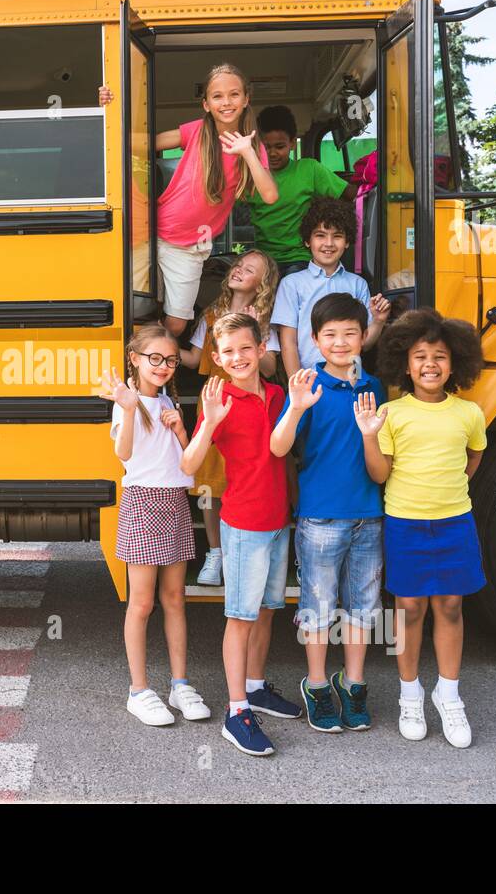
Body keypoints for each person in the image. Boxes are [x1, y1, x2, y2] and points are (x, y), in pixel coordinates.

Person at [356, 307, 488, 749]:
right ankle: (409, 693)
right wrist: (370, 435)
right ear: (404, 363)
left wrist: (448, 491)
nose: (430, 364)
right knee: (410, 608)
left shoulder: (469, 412)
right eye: (420, 356)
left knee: (450, 605)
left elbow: (472, 459)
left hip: (454, 522)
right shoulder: (391, 413)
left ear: (455, 364)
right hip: (406, 523)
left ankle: (448, 695)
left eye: (440, 356)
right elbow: (379, 475)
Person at [180, 313, 302, 757]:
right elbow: (189, 466)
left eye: (246, 348)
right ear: (216, 358)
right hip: (243, 524)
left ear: (262, 347)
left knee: (269, 609)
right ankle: (236, 713)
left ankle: (254, 687)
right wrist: (210, 421)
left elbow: (281, 451)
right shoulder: (218, 400)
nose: (238, 357)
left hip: (276, 521)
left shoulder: (275, 395)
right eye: (228, 352)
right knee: (241, 616)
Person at [270, 293, 384, 733]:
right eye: (330, 334)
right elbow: (279, 447)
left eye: (350, 333)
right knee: (318, 608)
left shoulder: (373, 387)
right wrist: (297, 407)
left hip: (368, 514)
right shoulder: (307, 384)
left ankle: (353, 685)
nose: (340, 342)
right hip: (320, 517)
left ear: (363, 337)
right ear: (315, 339)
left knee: (363, 608)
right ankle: (317, 685)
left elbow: (378, 459)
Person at [102, 65, 279, 336]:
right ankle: (137, 367)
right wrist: (109, 110)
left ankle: (156, 362)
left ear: (246, 99)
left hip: (187, 248)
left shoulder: (252, 146)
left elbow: (270, 195)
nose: (226, 102)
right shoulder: (197, 131)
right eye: (217, 96)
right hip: (148, 232)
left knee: (177, 322)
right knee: (130, 310)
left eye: (234, 94)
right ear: (206, 104)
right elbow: (143, 142)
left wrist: (247, 152)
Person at [99, 325, 211, 727]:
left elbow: (187, 466)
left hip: (175, 503)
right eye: (155, 358)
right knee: (142, 603)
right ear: (135, 358)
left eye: (171, 360)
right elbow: (124, 454)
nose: (163, 366)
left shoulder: (169, 402)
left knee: (176, 598)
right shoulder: (126, 402)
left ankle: (180, 684)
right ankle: (139, 690)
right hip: (143, 503)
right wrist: (129, 408)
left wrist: (181, 429)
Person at [179, 249, 280, 586]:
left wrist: (258, 329)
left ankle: (243, 544)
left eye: (249, 269)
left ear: (261, 284)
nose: (238, 270)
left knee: (239, 476)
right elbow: (194, 360)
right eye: (238, 265)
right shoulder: (212, 314)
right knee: (209, 482)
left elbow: (270, 367)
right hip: (213, 403)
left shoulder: (264, 318)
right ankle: (215, 552)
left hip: (248, 404)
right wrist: (157, 343)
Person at [272, 196, 391, 375]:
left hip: (351, 380)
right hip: (309, 380)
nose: (328, 243)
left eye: (337, 236)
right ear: (307, 240)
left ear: (347, 242)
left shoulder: (357, 284)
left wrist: (379, 321)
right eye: (320, 235)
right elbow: (288, 342)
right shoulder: (292, 284)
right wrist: (296, 386)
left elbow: (364, 343)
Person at [245, 105, 358, 277]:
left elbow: (352, 195)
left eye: (279, 146)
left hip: (299, 259)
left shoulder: (309, 170)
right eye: (266, 147)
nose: (272, 153)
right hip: (263, 258)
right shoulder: (248, 177)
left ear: (292, 143)